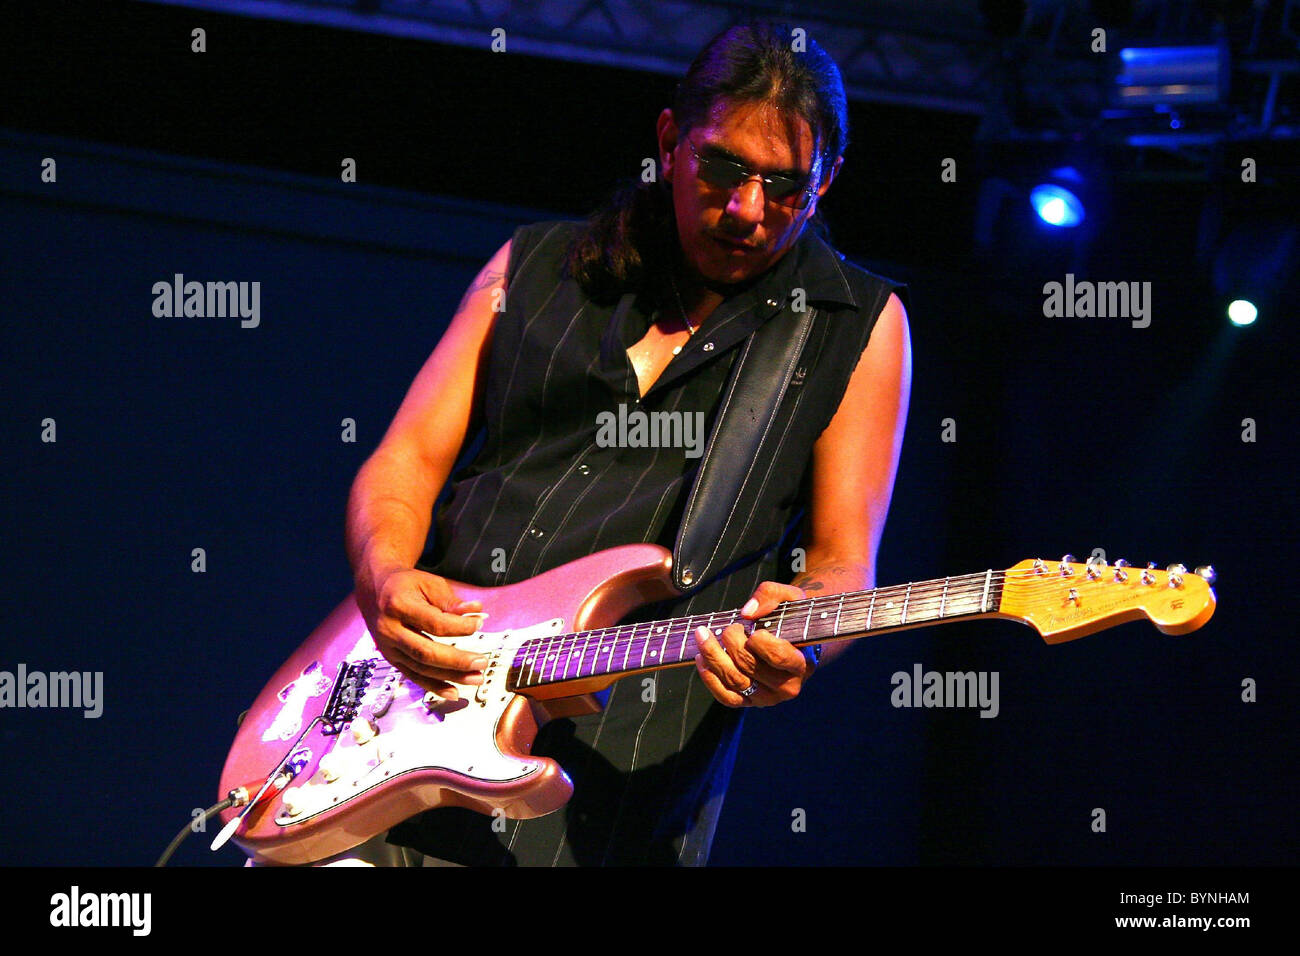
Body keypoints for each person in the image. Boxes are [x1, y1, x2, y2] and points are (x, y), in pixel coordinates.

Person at [339, 20, 911, 866]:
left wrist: (807, 642)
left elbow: (841, 562)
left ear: (825, 183)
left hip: (612, 795)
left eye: (786, 187)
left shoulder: (855, 328)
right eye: (723, 167)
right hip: (398, 727)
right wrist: (385, 574)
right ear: (671, 141)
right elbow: (407, 459)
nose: (749, 209)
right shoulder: (533, 266)